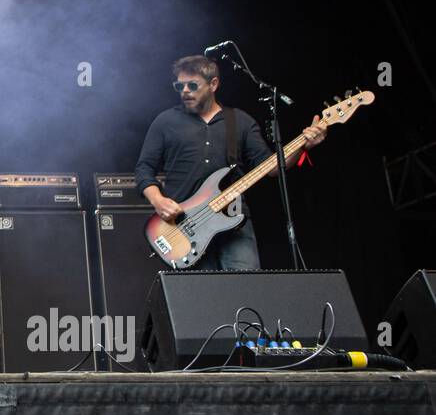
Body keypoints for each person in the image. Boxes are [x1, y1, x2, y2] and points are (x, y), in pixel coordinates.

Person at [134, 54, 325, 270]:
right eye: (179, 86)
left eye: (192, 85)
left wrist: (303, 146)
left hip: (233, 219)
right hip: (183, 224)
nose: (185, 91)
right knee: (198, 298)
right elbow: (144, 169)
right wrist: (157, 200)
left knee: (245, 290)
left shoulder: (240, 121)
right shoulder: (166, 121)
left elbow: (270, 167)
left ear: (213, 84)